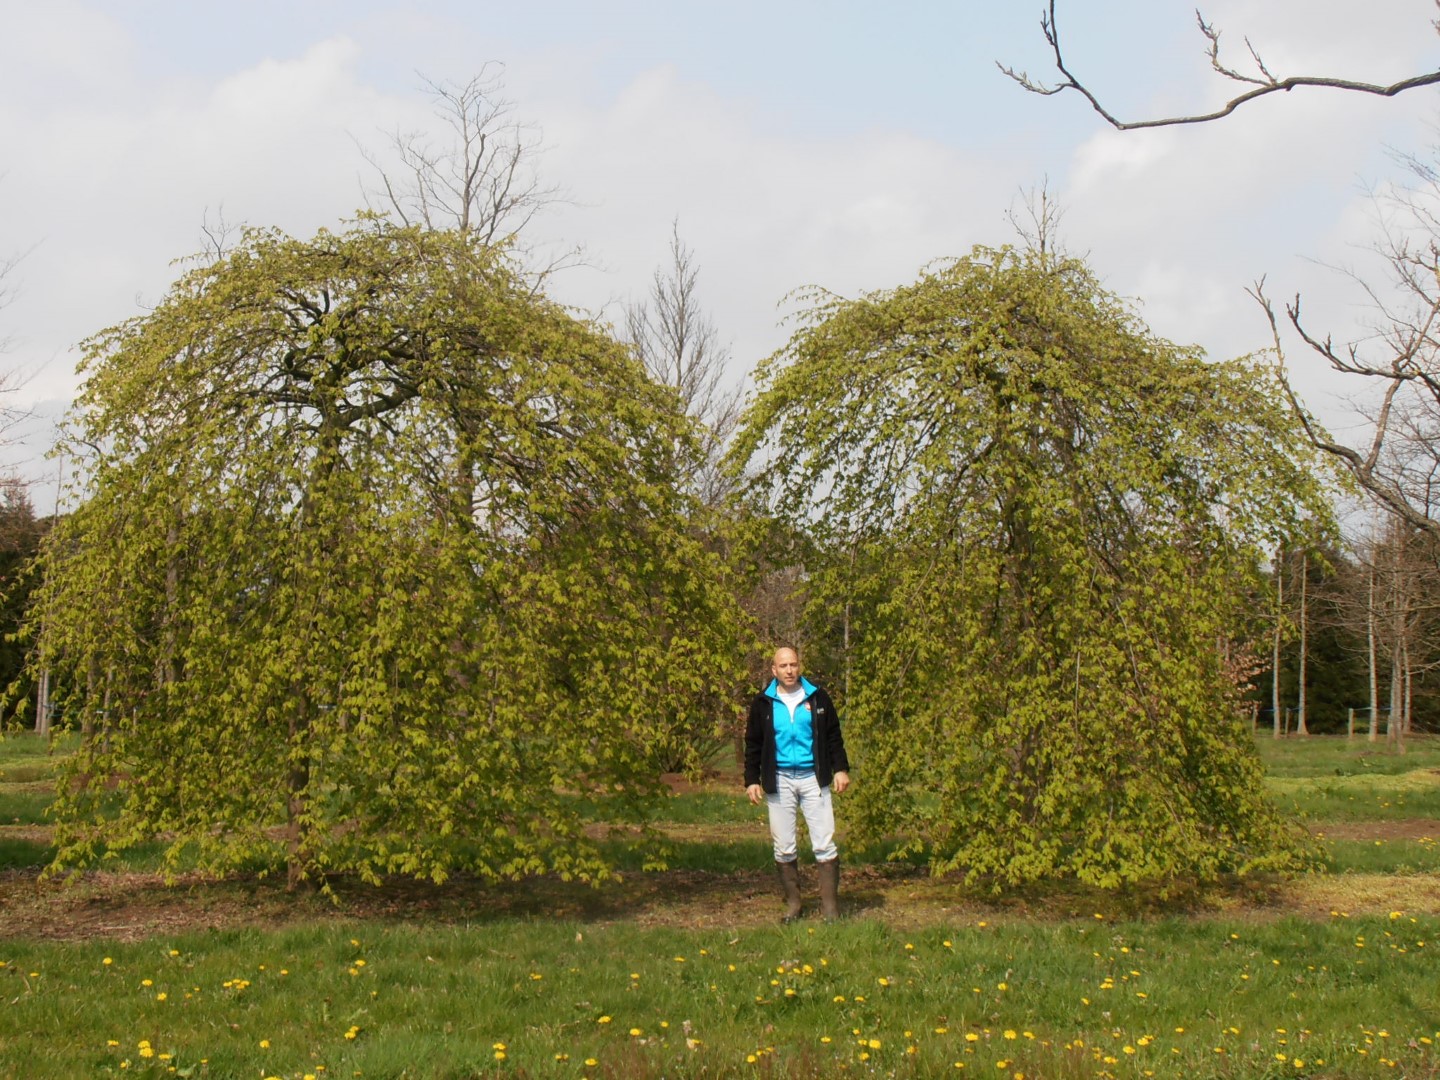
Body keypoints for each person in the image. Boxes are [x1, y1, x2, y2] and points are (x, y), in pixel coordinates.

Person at [744, 645, 851, 921]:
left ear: (799, 666)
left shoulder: (818, 698)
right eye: (783, 666)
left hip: (813, 779)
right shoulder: (762, 704)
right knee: (784, 845)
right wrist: (751, 780)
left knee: (824, 842)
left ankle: (830, 909)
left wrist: (840, 769)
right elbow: (753, 744)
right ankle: (794, 905)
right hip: (779, 780)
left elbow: (833, 737)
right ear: (773, 670)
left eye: (793, 665)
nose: (789, 670)